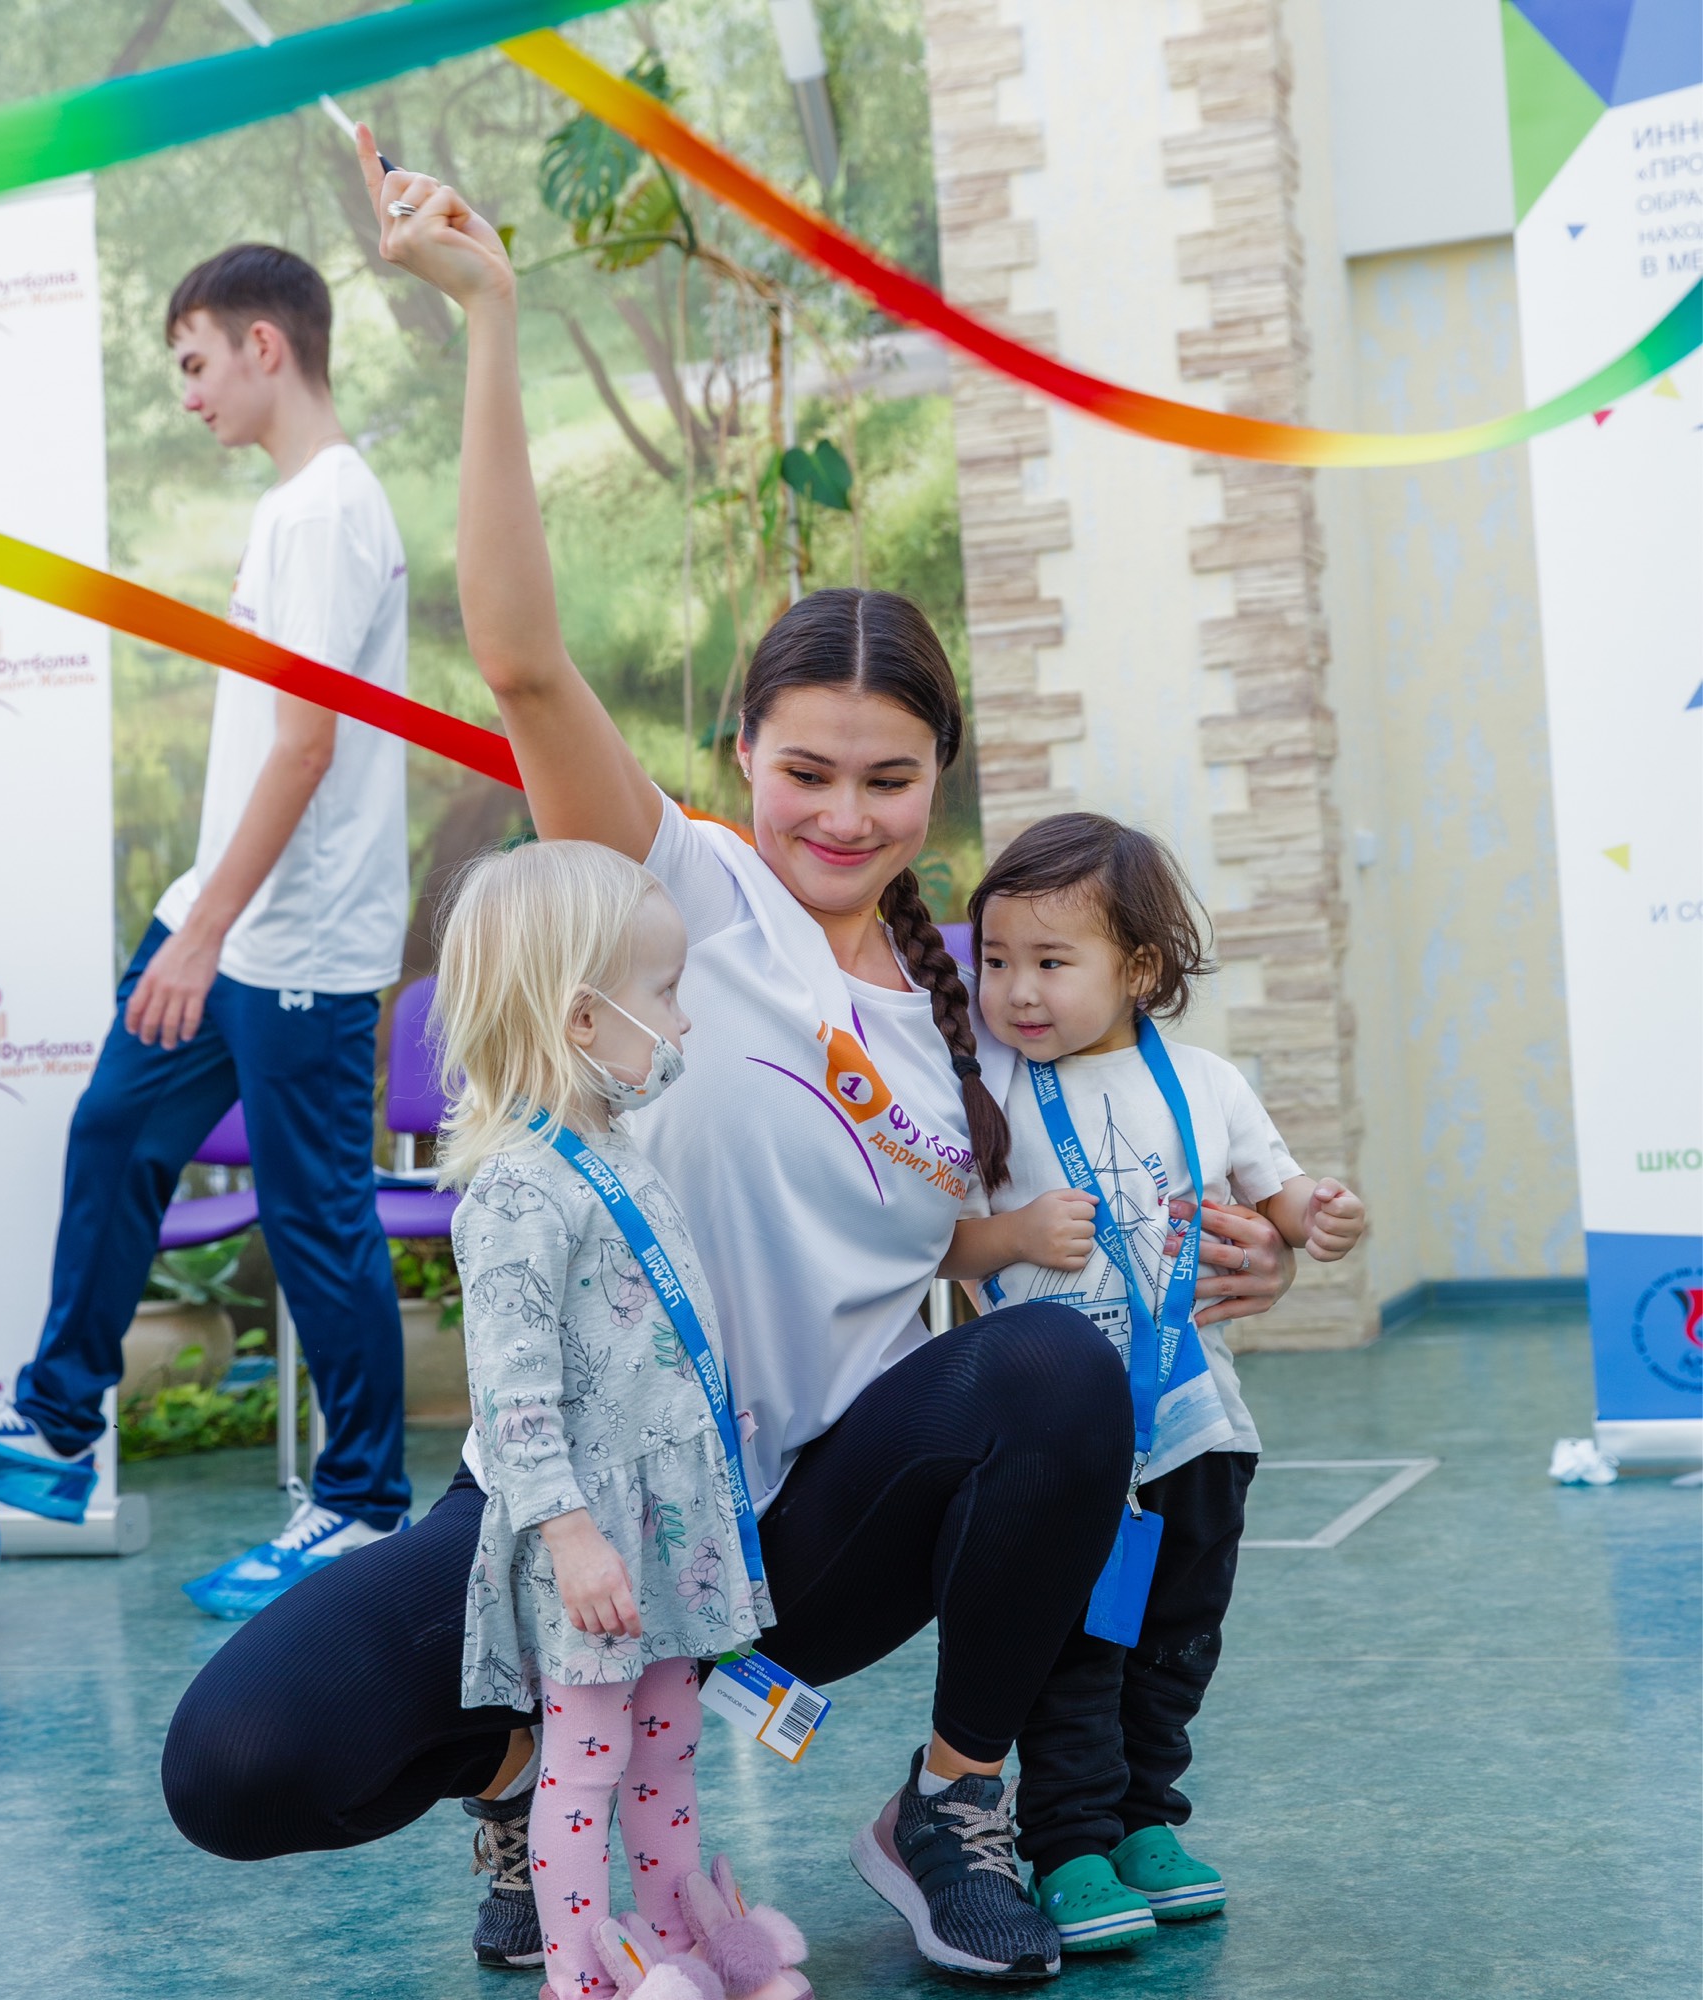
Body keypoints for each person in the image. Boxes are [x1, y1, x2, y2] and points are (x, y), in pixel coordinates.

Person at [159, 138, 1298, 1984]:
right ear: (740, 756)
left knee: (1053, 1385)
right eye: (803, 770)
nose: (840, 813)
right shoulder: (674, 891)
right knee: (233, 1761)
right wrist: (493, 315)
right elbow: (520, 660)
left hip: (786, 1540)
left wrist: (1239, 1249)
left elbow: (1056, 1256)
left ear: (938, 783)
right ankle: (542, 1775)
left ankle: (948, 1799)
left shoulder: (971, 1032)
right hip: (563, 1516)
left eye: (886, 778)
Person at [0, 245, 414, 1611]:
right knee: (117, 1128)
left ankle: (365, 1509)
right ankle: (58, 1422)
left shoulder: (323, 512)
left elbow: (306, 748)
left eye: (194, 362)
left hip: (294, 941)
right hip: (231, 922)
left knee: (318, 1220)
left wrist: (203, 938)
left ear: (267, 345)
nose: (188, 394)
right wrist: (197, 923)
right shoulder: (293, 510)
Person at [944, 812, 1367, 1951]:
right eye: (995, 960)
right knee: (1074, 1644)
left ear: (1137, 968)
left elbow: (1280, 1200)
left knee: (1177, 1632)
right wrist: (1010, 1231)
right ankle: (1068, 1839)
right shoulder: (979, 1082)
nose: (1017, 991)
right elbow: (933, 1244)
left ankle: (1142, 1819)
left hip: (1193, 1424)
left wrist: (1320, 1215)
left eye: (1050, 961)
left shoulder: (1208, 1079)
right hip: (1061, 1439)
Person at [436, 838, 779, 1997]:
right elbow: (512, 1394)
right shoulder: (520, 1189)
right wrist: (569, 1533)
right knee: (586, 1754)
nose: (681, 1021)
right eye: (665, 994)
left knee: (670, 1742)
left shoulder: (617, 1153)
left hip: (666, 1514)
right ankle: (582, 1961)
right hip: (594, 1532)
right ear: (584, 1020)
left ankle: (677, 1926)